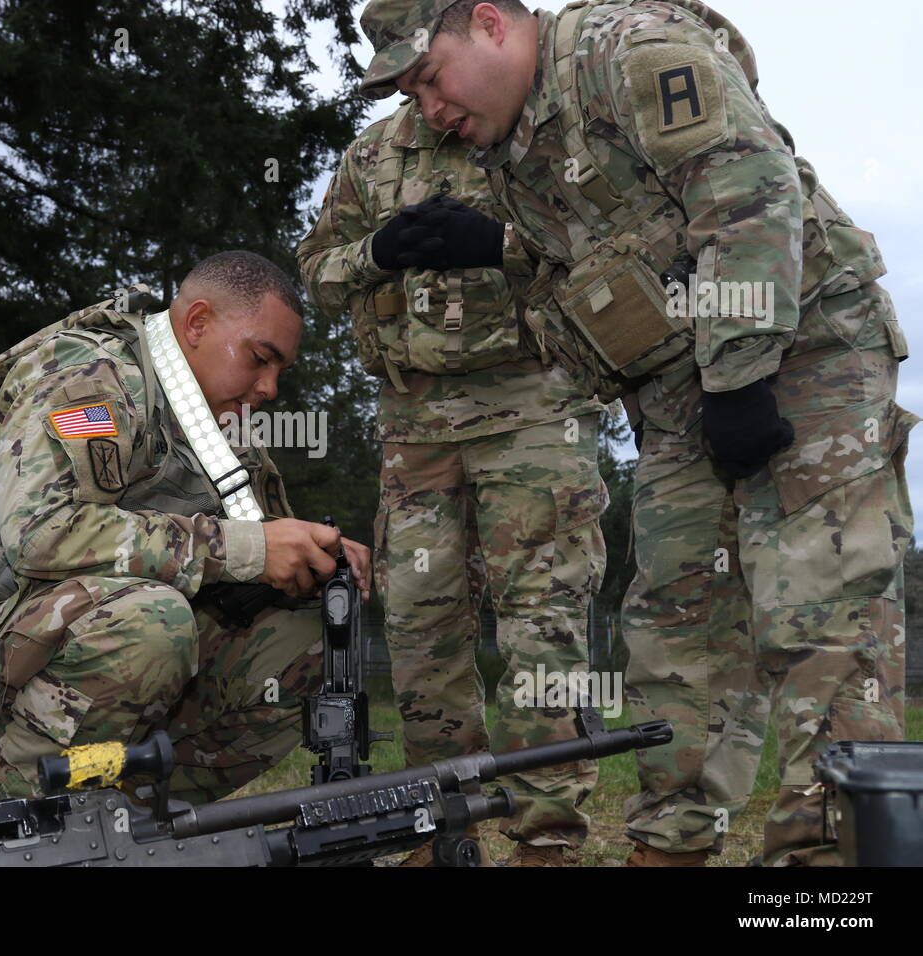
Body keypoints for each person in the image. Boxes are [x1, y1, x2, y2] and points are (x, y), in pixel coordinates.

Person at [356, 0, 914, 866]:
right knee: (676, 628)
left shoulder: (629, 52)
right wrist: (502, 245)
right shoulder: (505, 149)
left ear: (490, 22)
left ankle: (830, 867)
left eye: (428, 77)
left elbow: (746, 187)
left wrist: (737, 380)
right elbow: (602, 258)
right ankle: (671, 845)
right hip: (679, 392)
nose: (426, 110)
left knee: (821, 615)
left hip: (804, 355)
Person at [0, 251, 370, 804]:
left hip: (97, 653)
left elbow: (250, 554)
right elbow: (43, 535)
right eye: (260, 359)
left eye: (280, 371)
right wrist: (248, 547)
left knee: (312, 636)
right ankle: (22, 815)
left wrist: (310, 557)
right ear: (196, 323)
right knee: (151, 621)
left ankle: (131, 816)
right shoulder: (88, 380)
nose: (269, 388)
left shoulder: (218, 431)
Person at [297, 95, 609, 866]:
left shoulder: (544, 129)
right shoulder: (372, 155)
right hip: (415, 425)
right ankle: (439, 828)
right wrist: (380, 251)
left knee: (545, 626)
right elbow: (317, 275)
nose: (431, 94)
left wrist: (499, 243)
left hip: (535, 407)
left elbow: (606, 246)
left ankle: (547, 838)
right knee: (419, 628)